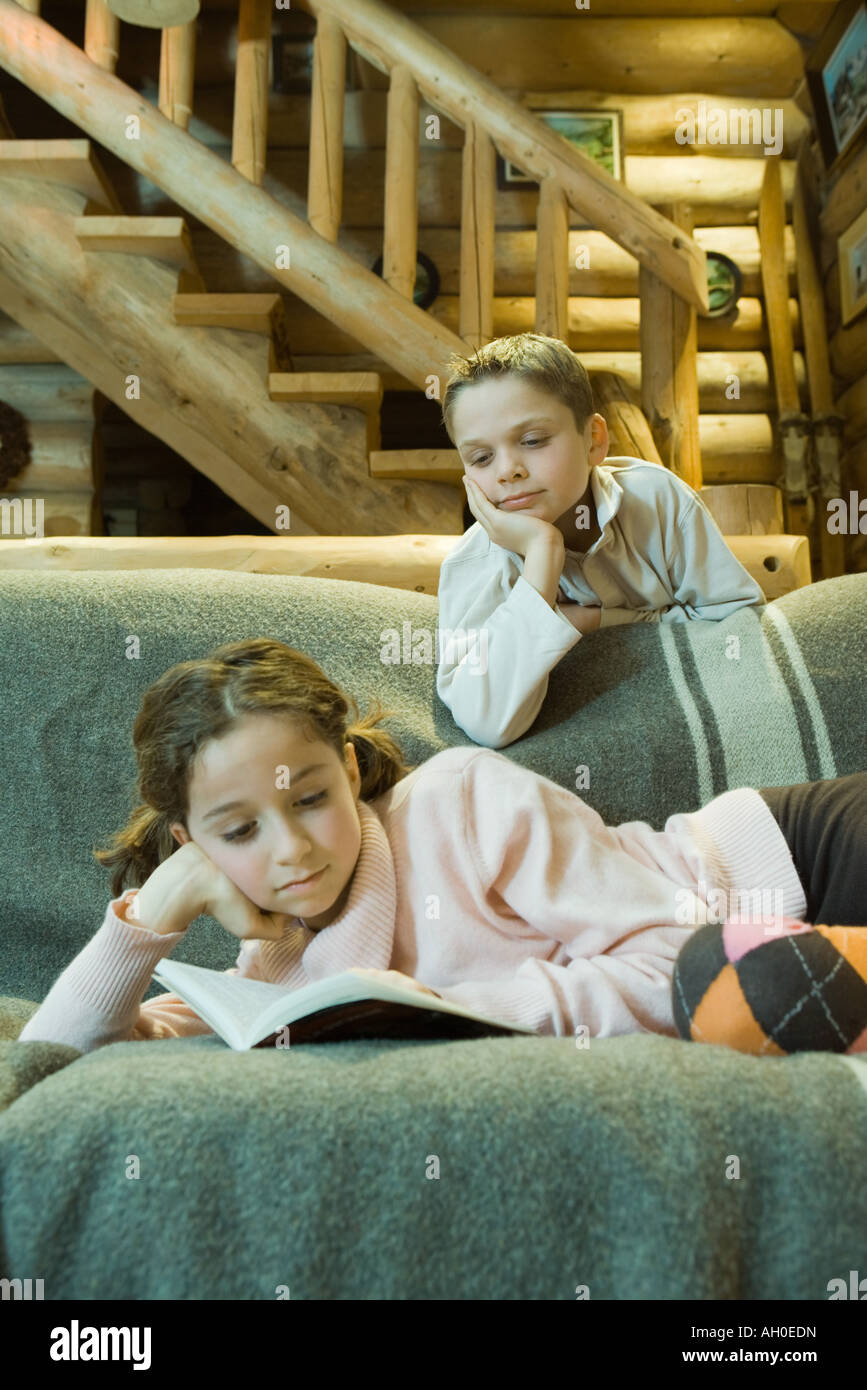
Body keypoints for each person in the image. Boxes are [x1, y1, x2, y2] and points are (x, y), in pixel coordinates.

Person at [17, 638, 865, 1057]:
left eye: (311, 798)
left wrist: (439, 1009)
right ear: (190, 840)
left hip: (792, 860)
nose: (292, 851)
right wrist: (157, 909)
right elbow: (53, 1059)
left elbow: (668, 962)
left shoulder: (459, 799)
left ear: (349, 770)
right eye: (238, 832)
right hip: (784, 967)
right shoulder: (266, 978)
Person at [436, 332, 765, 748]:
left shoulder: (657, 500)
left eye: (533, 440)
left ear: (594, 440)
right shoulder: (473, 562)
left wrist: (592, 622)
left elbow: (742, 632)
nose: (507, 471)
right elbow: (487, 722)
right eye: (481, 458)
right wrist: (542, 552)